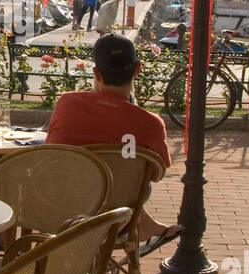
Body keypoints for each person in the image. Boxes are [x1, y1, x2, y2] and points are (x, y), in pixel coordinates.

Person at [46, 34, 191, 258]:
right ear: (137, 70)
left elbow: (52, 151)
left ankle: (97, 263)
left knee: (92, 180)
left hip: (64, 206)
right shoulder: (151, 123)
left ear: (96, 73)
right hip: (116, 208)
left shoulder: (67, 103)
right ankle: (136, 228)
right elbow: (156, 173)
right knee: (131, 177)